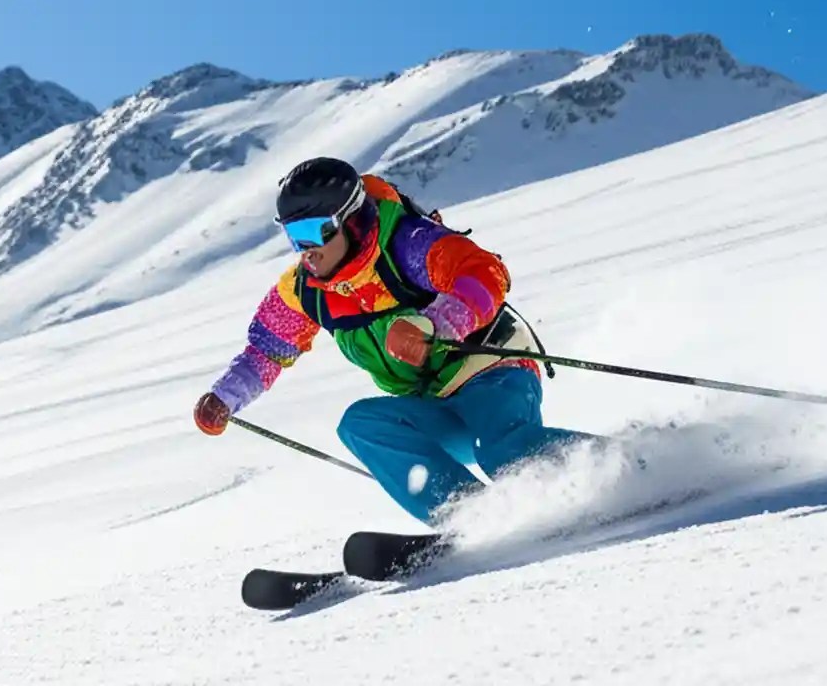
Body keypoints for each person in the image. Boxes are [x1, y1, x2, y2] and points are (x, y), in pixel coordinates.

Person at [194, 157, 584, 524]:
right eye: (294, 237)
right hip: (434, 401)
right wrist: (225, 397)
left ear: (349, 220)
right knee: (360, 424)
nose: (306, 250)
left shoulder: (404, 244)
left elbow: (483, 272)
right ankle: (471, 518)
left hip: (491, 369)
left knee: (503, 452)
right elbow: (266, 351)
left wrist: (437, 325)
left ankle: (613, 471)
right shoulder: (305, 291)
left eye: (314, 232)